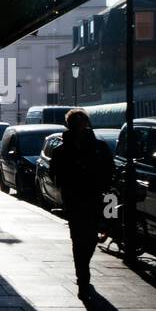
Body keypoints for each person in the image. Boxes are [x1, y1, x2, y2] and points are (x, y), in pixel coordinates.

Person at [48, 108, 115, 299]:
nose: (78, 126)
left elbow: (109, 173)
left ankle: (83, 272)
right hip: (75, 201)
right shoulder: (61, 150)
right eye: (74, 123)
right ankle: (83, 279)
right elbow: (55, 174)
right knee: (79, 241)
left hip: (94, 198)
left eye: (80, 122)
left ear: (85, 124)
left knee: (91, 239)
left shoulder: (99, 147)